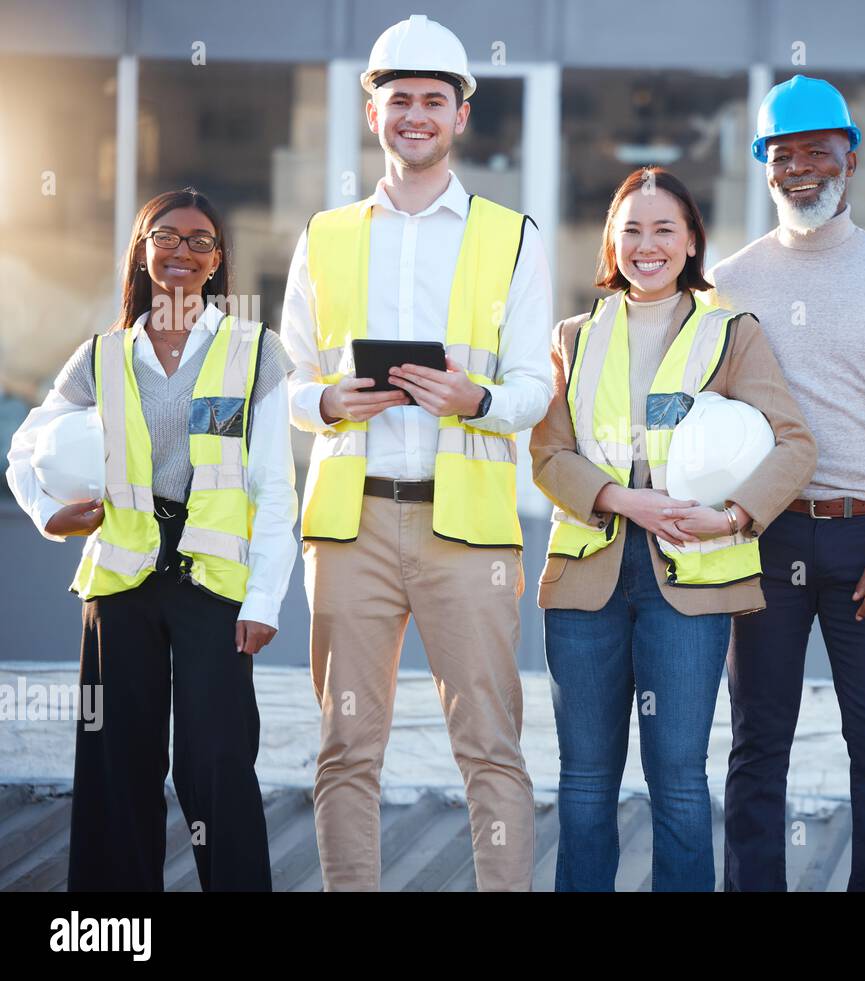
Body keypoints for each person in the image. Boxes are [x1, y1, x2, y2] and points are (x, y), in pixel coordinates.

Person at [281, 15, 552, 891]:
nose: (416, 116)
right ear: (374, 113)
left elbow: (533, 388)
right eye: (400, 99)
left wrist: (478, 401)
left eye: (435, 100)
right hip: (350, 527)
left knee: (490, 749)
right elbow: (285, 380)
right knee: (345, 747)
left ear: (462, 114)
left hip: (464, 532)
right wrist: (325, 401)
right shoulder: (323, 236)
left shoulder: (513, 237)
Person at [530, 166, 816, 891]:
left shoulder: (731, 333)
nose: (646, 245)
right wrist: (627, 502)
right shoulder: (572, 335)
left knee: (680, 781)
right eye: (631, 230)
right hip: (587, 579)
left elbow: (795, 445)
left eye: (665, 229)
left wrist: (732, 516)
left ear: (692, 242)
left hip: (689, 583)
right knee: (585, 782)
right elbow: (547, 454)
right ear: (610, 242)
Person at [5, 187, 298, 891]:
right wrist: (49, 511)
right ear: (141, 249)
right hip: (120, 580)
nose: (181, 252)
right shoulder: (102, 355)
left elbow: (275, 490)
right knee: (116, 762)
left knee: (218, 762)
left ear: (219, 260)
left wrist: (265, 600)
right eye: (166, 236)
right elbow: (23, 446)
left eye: (200, 240)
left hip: (214, 587)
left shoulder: (254, 350)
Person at [708, 75, 865, 891]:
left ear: (851, 156)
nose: (802, 167)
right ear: (765, 167)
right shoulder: (728, 283)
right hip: (767, 537)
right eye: (784, 154)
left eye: (819, 149)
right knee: (757, 742)